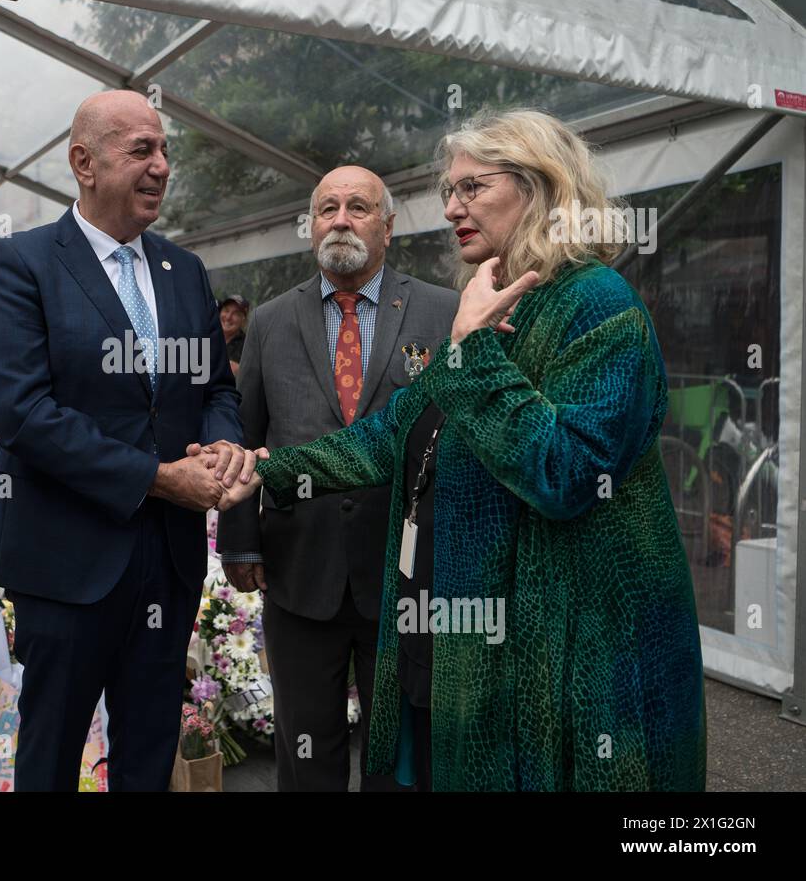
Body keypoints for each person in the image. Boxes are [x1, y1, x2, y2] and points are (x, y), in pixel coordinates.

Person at [213, 109, 705, 791]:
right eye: (450, 191)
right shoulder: (498, 304)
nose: (451, 208)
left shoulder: (599, 304)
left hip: (575, 657)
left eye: (472, 187)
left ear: (538, 186)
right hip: (477, 640)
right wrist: (263, 468)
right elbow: (391, 435)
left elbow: (564, 472)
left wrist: (473, 351)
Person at [0, 89, 249, 791]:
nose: (161, 166)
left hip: (169, 559)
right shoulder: (22, 264)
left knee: (151, 742)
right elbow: (22, 413)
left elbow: (216, 388)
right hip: (67, 563)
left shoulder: (182, 270)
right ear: (83, 163)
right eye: (141, 151)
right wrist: (158, 478)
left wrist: (221, 449)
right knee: (52, 745)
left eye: (164, 150)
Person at [216, 166, 457, 791]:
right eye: (327, 209)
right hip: (298, 569)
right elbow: (247, 433)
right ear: (311, 225)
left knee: (397, 749)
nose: (341, 219)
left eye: (357, 206)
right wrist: (239, 542)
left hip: (403, 576)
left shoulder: (442, 311)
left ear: (388, 225)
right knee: (306, 750)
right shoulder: (270, 320)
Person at [218, 295, 249, 377]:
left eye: (236, 313)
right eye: (226, 310)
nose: (228, 317)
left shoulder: (248, 347)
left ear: (244, 320)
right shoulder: (204, 335)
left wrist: (241, 372)